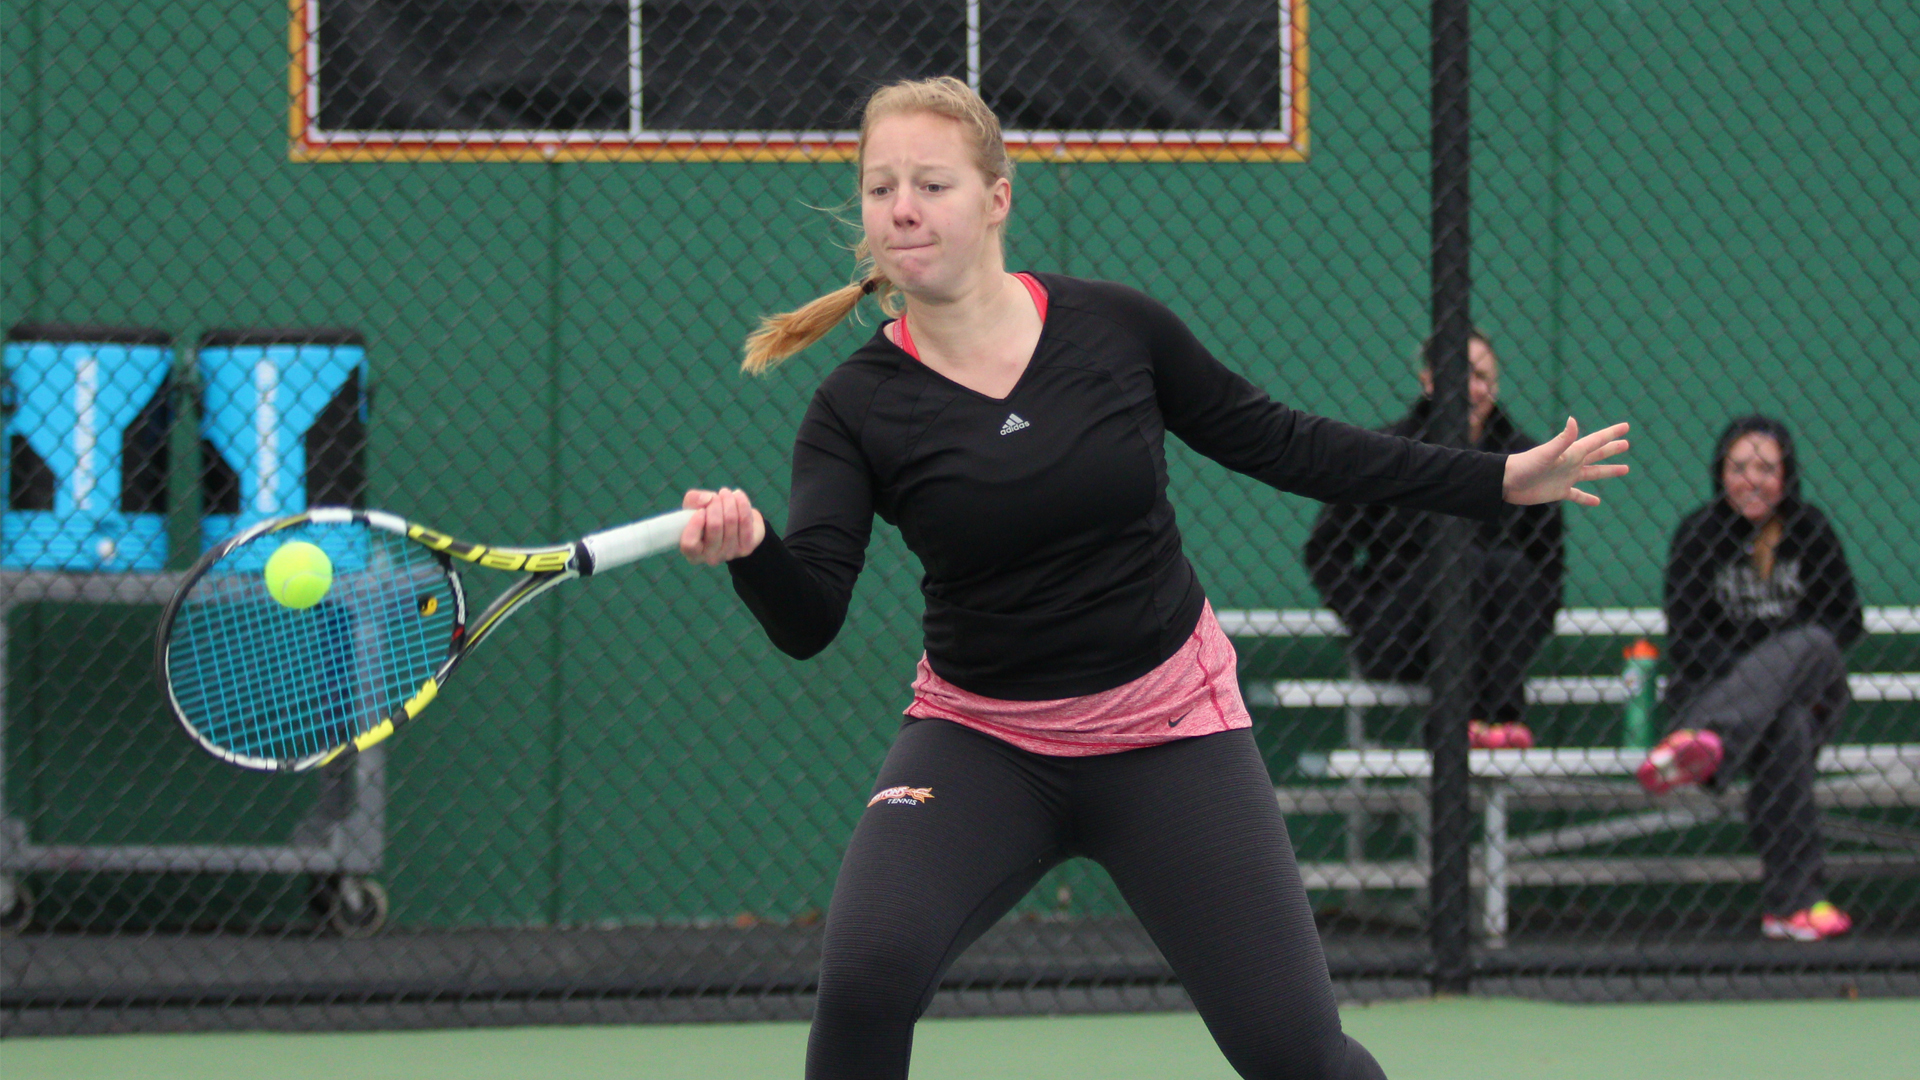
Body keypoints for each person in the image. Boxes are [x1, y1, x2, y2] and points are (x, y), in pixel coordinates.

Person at [677, 76, 1630, 1079]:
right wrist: (753, 554)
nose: (903, 208)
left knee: (1299, 1057)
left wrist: (1498, 478)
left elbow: (1287, 444)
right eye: (880, 189)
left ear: (997, 198)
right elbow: (809, 614)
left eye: (931, 184)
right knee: (866, 982)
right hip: (981, 745)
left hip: (1174, 736)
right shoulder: (853, 405)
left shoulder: (1114, 330)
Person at [1640, 416, 1863, 942]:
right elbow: (1687, 638)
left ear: (1786, 476)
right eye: (1740, 467)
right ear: (1721, 474)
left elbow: (1845, 620)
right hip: (1714, 689)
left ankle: (1711, 741)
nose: (1753, 479)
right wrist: (1757, 681)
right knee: (1783, 728)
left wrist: (1776, 666)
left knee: (1812, 644)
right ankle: (1794, 904)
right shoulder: (1698, 534)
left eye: (1766, 467)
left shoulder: (1811, 529)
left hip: (1806, 688)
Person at [1302, 332, 1564, 749]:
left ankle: (1496, 722)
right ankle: (1466, 723)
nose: (1472, 388)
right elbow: (1324, 552)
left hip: (1498, 640)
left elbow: (1549, 569)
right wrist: (1366, 617)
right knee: (1460, 563)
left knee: (1506, 567)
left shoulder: (1524, 459)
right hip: (1401, 634)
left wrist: (1526, 625)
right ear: (1429, 380)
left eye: (1482, 376)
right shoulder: (1386, 452)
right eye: (1459, 375)